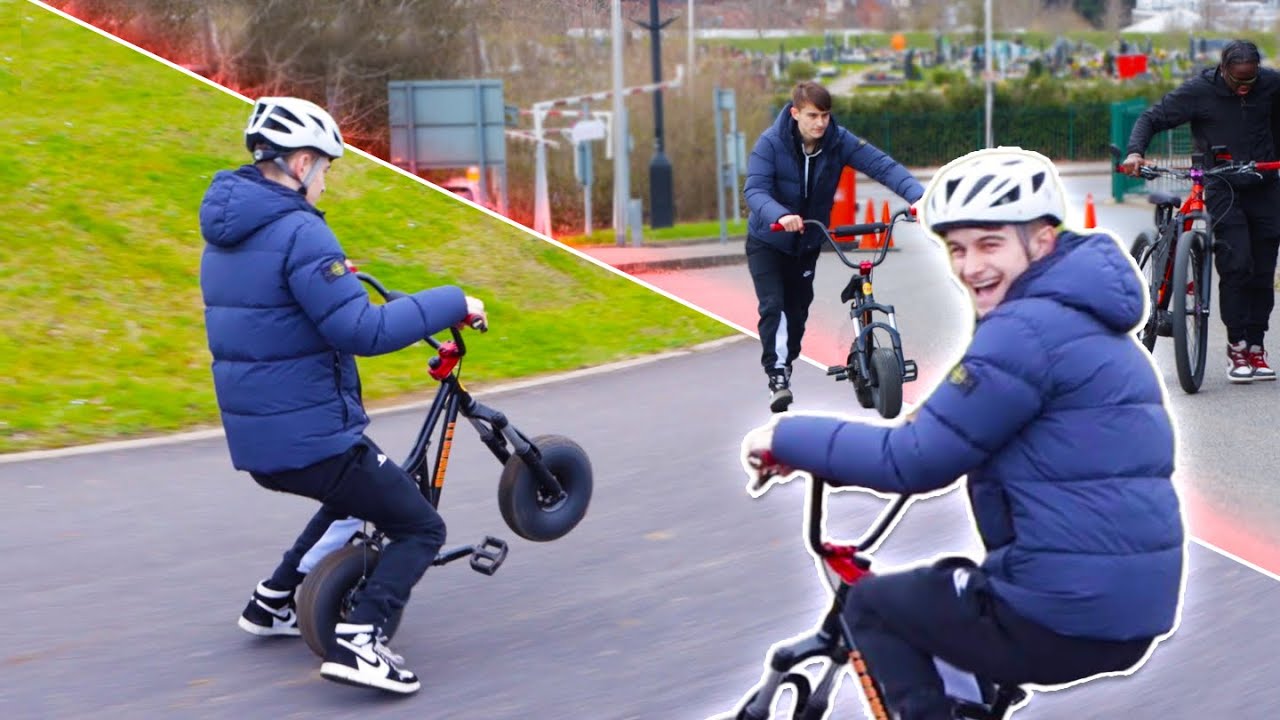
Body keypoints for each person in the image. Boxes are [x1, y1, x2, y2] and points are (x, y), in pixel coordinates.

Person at [741, 148, 1186, 719]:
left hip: (1062, 613)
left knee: (872, 606)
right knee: (947, 588)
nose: (971, 265)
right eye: (957, 248)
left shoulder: (1026, 331)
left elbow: (913, 460)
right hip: (1128, 606)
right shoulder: (1082, 320)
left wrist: (786, 438)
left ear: (1042, 241)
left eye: (990, 244)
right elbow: (969, 430)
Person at [199, 96, 487, 695]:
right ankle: (361, 640)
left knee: (356, 495)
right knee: (420, 526)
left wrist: (331, 278)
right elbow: (365, 332)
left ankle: (274, 600)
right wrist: (453, 301)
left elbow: (277, 308)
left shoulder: (230, 234)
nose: (326, 182)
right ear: (301, 163)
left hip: (261, 438)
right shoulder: (302, 232)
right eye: (326, 168)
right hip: (312, 437)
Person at [743, 81, 924, 413]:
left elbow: (882, 166)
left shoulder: (838, 141)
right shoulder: (770, 144)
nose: (820, 123)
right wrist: (780, 215)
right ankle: (778, 377)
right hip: (768, 241)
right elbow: (755, 190)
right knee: (774, 306)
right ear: (795, 113)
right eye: (813, 116)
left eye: (825, 115)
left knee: (797, 314)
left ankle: (788, 361)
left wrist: (920, 198)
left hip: (807, 241)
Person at [1121, 39, 1280, 383]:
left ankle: (1256, 345)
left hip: (1265, 184)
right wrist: (1135, 152)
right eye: (1237, 80)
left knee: (1263, 271)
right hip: (1223, 186)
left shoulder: (1271, 84)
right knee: (1237, 264)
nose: (1244, 87)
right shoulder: (1200, 91)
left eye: (1250, 80)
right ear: (1223, 70)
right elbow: (1152, 117)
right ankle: (1237, 346)